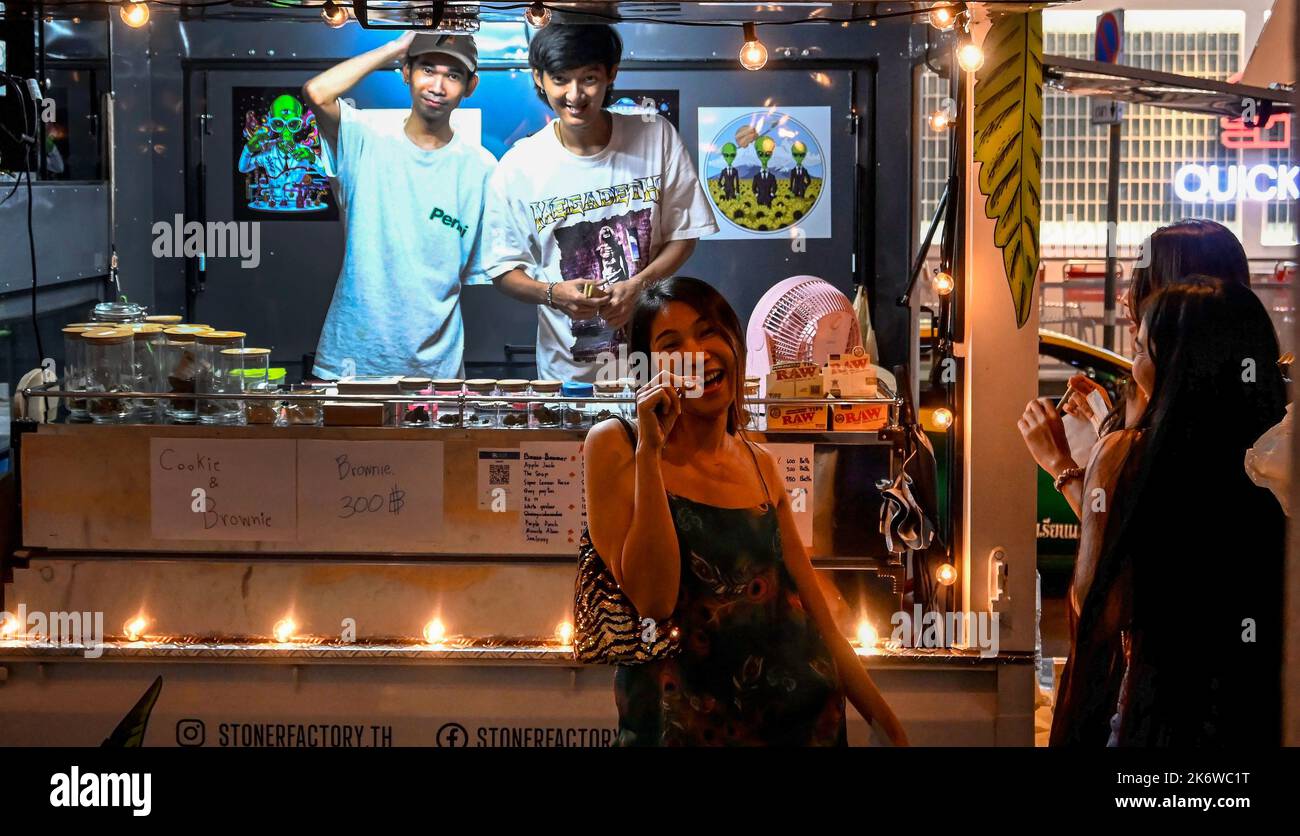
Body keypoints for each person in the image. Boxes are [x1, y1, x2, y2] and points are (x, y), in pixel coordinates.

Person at [583, 276, 908, 746]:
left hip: (802, 725)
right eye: (672, 344)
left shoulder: (760, 464)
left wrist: (883, 719)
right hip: (681, 732)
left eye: (708, 331)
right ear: (649, 369)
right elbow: (653, 600)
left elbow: (815, 609)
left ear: (735, 343)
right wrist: (650, 453)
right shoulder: (617, 445)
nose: (697, 353)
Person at [1027, 276, 1286, 745]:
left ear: (1175, 362)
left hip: (1161, 705)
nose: (1133, 359)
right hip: (1254, 705)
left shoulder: (1130, 454)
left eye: (1143, 348)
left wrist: (1063, 465)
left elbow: (1099, 606)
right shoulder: (1274, 451)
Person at [482, 23, 718, 382]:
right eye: (560, 79)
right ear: (539, 78)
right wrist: (553, 293)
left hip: (653, 365)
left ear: (611, 74)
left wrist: (639, 285)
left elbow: (685, 235)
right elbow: (502, 270)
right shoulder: (518, 165)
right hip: (568, 377)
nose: (575, 95)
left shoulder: (656, 136)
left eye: (589, 78)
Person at [302, 32, 497, 379]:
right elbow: (317, 93)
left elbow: (479, 270)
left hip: (438, 369)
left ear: (471, 86)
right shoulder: (366, 138)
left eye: (452, 75)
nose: (437, 86)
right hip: (352, 360)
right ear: (406, 72)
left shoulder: (482, 167)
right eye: (426, 69)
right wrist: (395, 47)